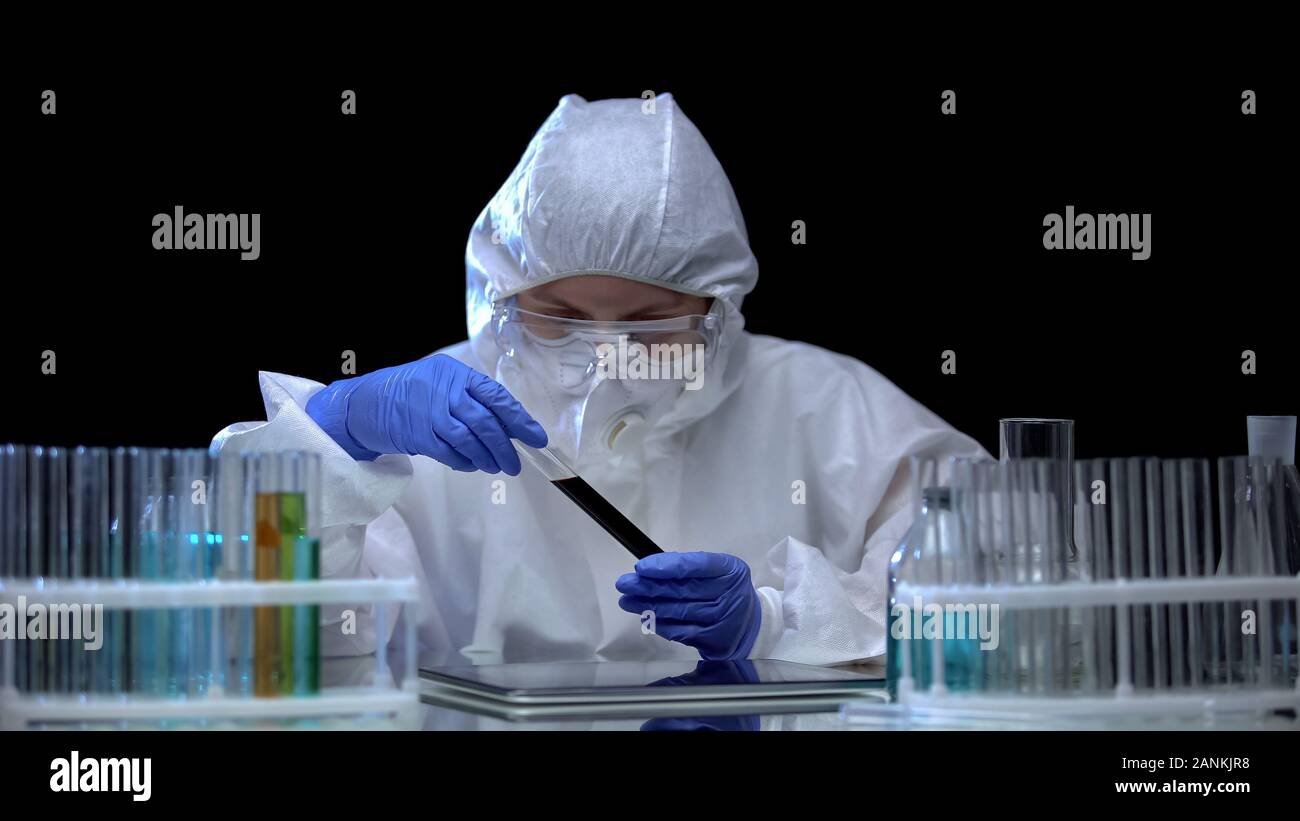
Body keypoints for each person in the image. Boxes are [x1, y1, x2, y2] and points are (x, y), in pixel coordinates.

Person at [211, 93, 986, 666]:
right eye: (560, 316)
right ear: (499, 296)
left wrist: (782, 622)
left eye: (650, 320)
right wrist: (328, 445)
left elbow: (987, 605)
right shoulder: (423, 421)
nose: (604, 356)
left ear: (718, 307)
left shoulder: (829, 408)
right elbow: (266, 643)